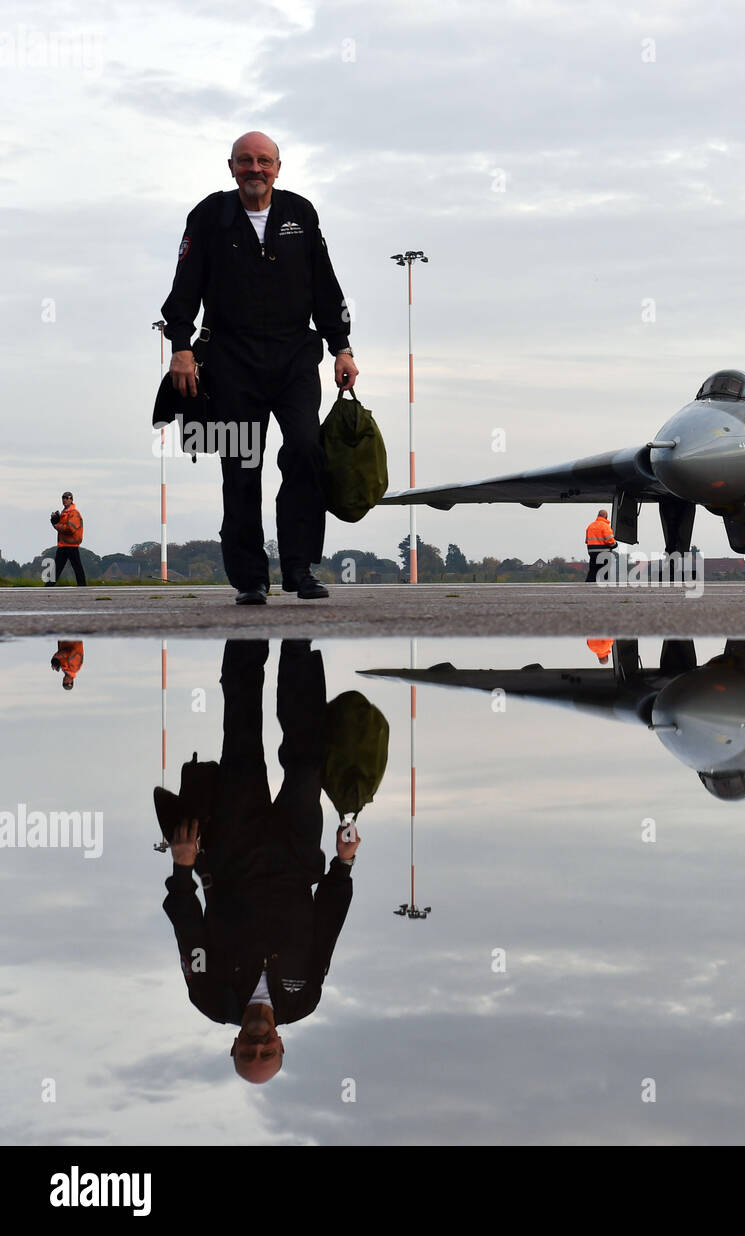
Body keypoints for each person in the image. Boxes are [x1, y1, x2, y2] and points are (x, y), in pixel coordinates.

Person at [161, 132, 358, 606]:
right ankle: (250, 578)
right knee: (241, 466)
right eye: (246, 161)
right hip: (231, 362)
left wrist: (342, 347)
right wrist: (182, 347)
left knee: (307, 452)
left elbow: (325, 284)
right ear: (231, 167)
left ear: (278, 167)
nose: (255, 169)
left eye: (264, 161)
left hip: (294, 359)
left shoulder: (301, 214)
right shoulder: (209, 216)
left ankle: (300, 568)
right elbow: (185, 286)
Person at [157, 640, 358, 1082]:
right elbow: (327, 927)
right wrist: (342, 867)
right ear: (280, 1045)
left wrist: (183, 866)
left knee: (243, 740)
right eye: (267, 1053)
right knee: (307, 765)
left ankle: (246, 636)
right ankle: (298, 646)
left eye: (247, 1053)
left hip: (234, 850)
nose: (257, 1045)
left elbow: (186, 923)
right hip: (296, 856)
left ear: (235, 1046)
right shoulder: (304, 998)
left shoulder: (210, 998)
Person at [47, 492, 86, 586]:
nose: (64, 500)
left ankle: (83, 587)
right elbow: (62, 526)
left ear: (71, 499)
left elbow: (70, 529)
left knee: (77, 568)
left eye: (67, 498)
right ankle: (48, 587)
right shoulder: (65, 513)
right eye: (63, 498)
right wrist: (55, 519)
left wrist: (56, 524)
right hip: (64, 545)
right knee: (57, 569)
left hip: (71, 545)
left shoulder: (74, 513)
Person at [585, 509, 618, 581]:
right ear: (606, 517)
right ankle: (604, 585)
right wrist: (615, 544)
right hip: (603, 552)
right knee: (604, 570)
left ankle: (588, 585)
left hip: (592, 552)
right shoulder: (605, 526)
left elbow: (587, 541)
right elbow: (610, 541)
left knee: (593, 570)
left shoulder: (590, 526)